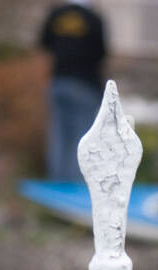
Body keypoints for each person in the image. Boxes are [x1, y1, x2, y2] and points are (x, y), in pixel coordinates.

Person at [39, 2, 107, 182]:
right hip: (85, 85)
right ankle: (74, 185)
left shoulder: (57, 14)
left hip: (59, 81)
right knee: (83, 136)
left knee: (58, 135)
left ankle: (57, 183)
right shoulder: (94, 19)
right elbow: (102, 52)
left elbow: (44, 42)